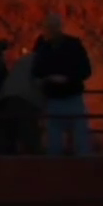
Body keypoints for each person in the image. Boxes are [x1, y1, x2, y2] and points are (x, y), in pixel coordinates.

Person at [30, 14, 94, 156]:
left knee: (79, 143)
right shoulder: (45, 48)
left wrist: (66, 78)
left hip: (70, 98)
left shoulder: (71, 45)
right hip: (57, 99)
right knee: (57, 145)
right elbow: (37, 71)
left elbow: (86, 70)